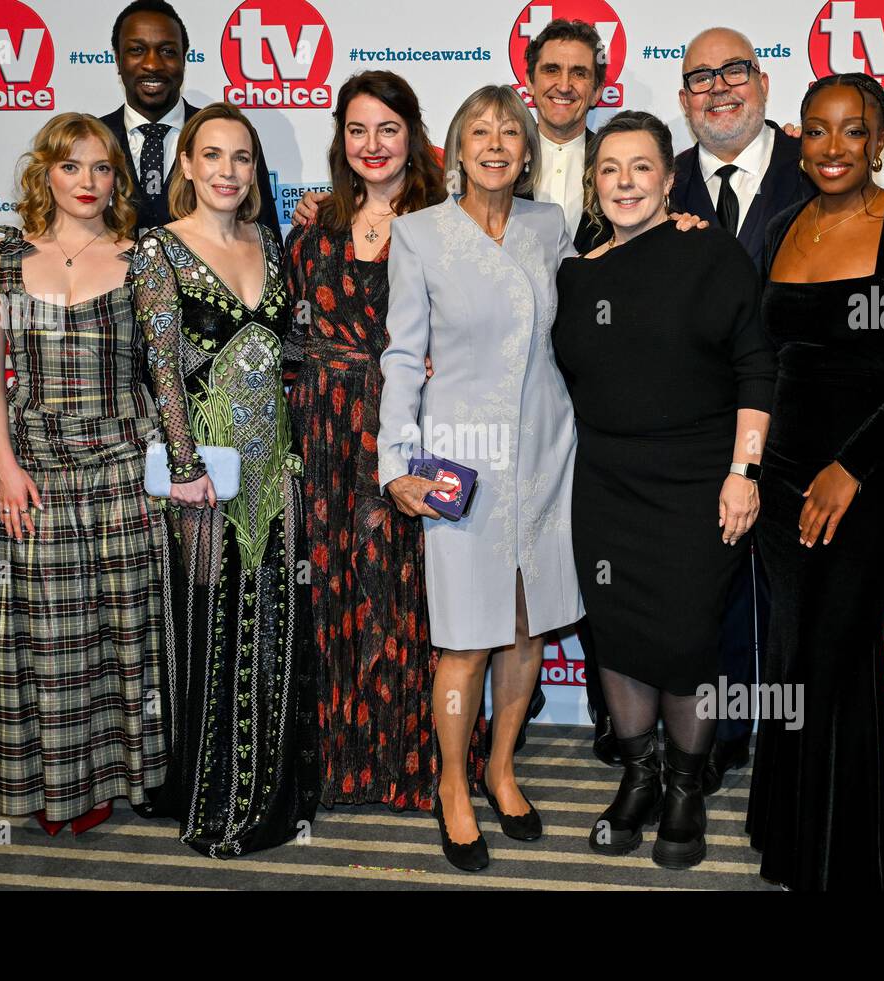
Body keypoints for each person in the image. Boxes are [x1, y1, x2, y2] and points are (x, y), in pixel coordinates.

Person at [746, 74, 884, 890]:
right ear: (797, 139)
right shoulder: (778, 227)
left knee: (837, 660)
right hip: (785, 485)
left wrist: (850, 466)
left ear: (880, 138)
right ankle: (788, 834)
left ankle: (837, 864)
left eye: (851, 131)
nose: (832, 147)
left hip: (879, 478)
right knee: (794, 656)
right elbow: (764, 359)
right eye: (815, 130)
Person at [553, 111, 775, 869]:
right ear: (594, 182)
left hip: (697, 483)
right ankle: (639, 777)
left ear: (669, 176)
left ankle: (686, 788)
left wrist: (744, 472)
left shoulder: (710, 254)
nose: (624, 183)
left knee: (686, 642)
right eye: (609, 169)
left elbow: (756, 368)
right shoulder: (575, 274)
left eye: (640, 167)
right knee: (617, 637)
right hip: (607, 483)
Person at [375, 84, 584, 872]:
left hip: (544, 455)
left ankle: (502, 766)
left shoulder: (548, 225)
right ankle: (455, 786)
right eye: (479, 132)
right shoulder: (420, 235)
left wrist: (675, 228)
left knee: (527, 628)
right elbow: (401, 356)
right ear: (455, 149)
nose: (495, 143)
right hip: (459, 463)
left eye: (510, 133)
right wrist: (397, 461)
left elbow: (601, 293)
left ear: (529, 152)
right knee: (464, 640)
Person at [283, 70, 487, 811]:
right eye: (357, 129)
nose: (373, 145)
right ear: (341, 138)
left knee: (408, 596)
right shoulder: (313, 224)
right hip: (326, 434)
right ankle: (340, 761)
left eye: (388, 129)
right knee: (333, 591)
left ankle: (411, 761)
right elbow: (290, 341)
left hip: (411, 428)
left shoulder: (448, 221)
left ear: (414, 136)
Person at [130, 102, 319, 857]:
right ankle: (209, 794)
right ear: (185, 165)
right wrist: (183, 468)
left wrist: (297, 452)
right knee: (208, 627)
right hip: (202, 477)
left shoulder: (273, 246)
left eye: (241, 158)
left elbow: (289, 354)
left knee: (269, 623)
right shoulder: (159, 251)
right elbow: (163, 367)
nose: (227, 171)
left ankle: (267, 789)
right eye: (211, 156)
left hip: (273, 467)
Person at [0, 112, 167, 837]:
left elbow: (164, 372)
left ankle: (128, 777)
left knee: (124, 636)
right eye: (71, 166)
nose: (88, 182)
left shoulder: (142, 255)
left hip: (121, 469)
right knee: (51, 643)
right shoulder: (2, 257)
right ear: (45, 172)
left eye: (103, 168)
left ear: (119, 178)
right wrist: (6, 468)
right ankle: (59, 786)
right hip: (37, 474)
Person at [673, 27, 816, 796]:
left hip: (801, 428)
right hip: (699, 433)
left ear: (763, 82)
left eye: (734, 71)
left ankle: (795, 747)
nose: (719, 88)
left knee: (792, 591)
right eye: (702, 77)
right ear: (683, 98)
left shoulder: (813, 166)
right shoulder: (659, 182)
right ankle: (724, 735)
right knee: (717, 590)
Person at [100, 0, 278, 239]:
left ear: (184, 60)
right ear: (118, 61)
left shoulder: (230, 136)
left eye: (167, 51)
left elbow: (264, 234)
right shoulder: (93, 137)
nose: (152, 64)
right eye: (137, 50)